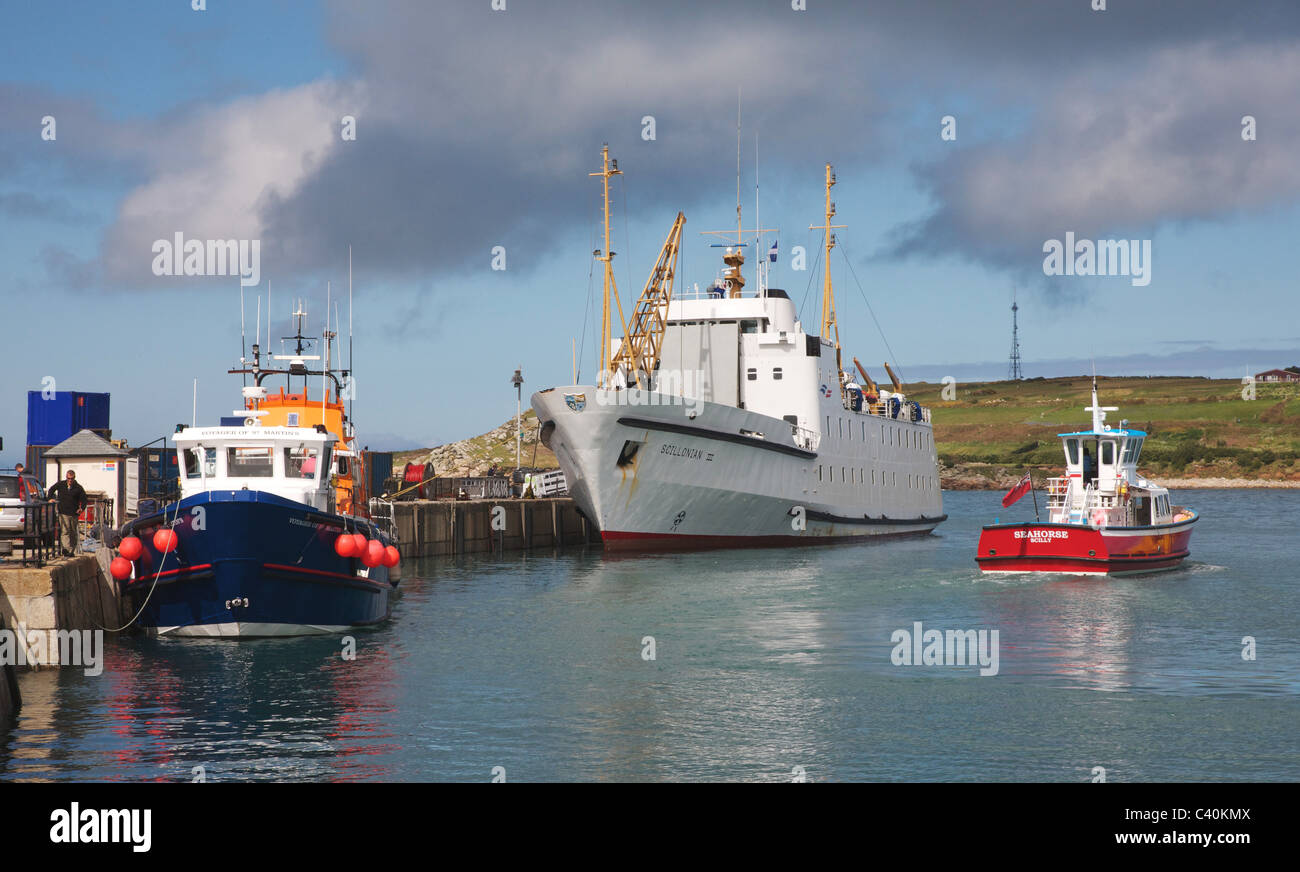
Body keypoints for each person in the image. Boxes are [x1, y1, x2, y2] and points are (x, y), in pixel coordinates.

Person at [47, 470, 87, 557]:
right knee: (65, 531)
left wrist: (81, 508)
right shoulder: (61, 484)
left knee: (73, 532)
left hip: (73, 513)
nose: (70, 480)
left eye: (71, 479)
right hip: (63, 512)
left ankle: (71, 550)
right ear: (66, 478)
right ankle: (66, 549)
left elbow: (84, 499)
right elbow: (51, 489)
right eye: (68, 478)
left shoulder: (78, 488)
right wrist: (50, 498)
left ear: (74, 478)